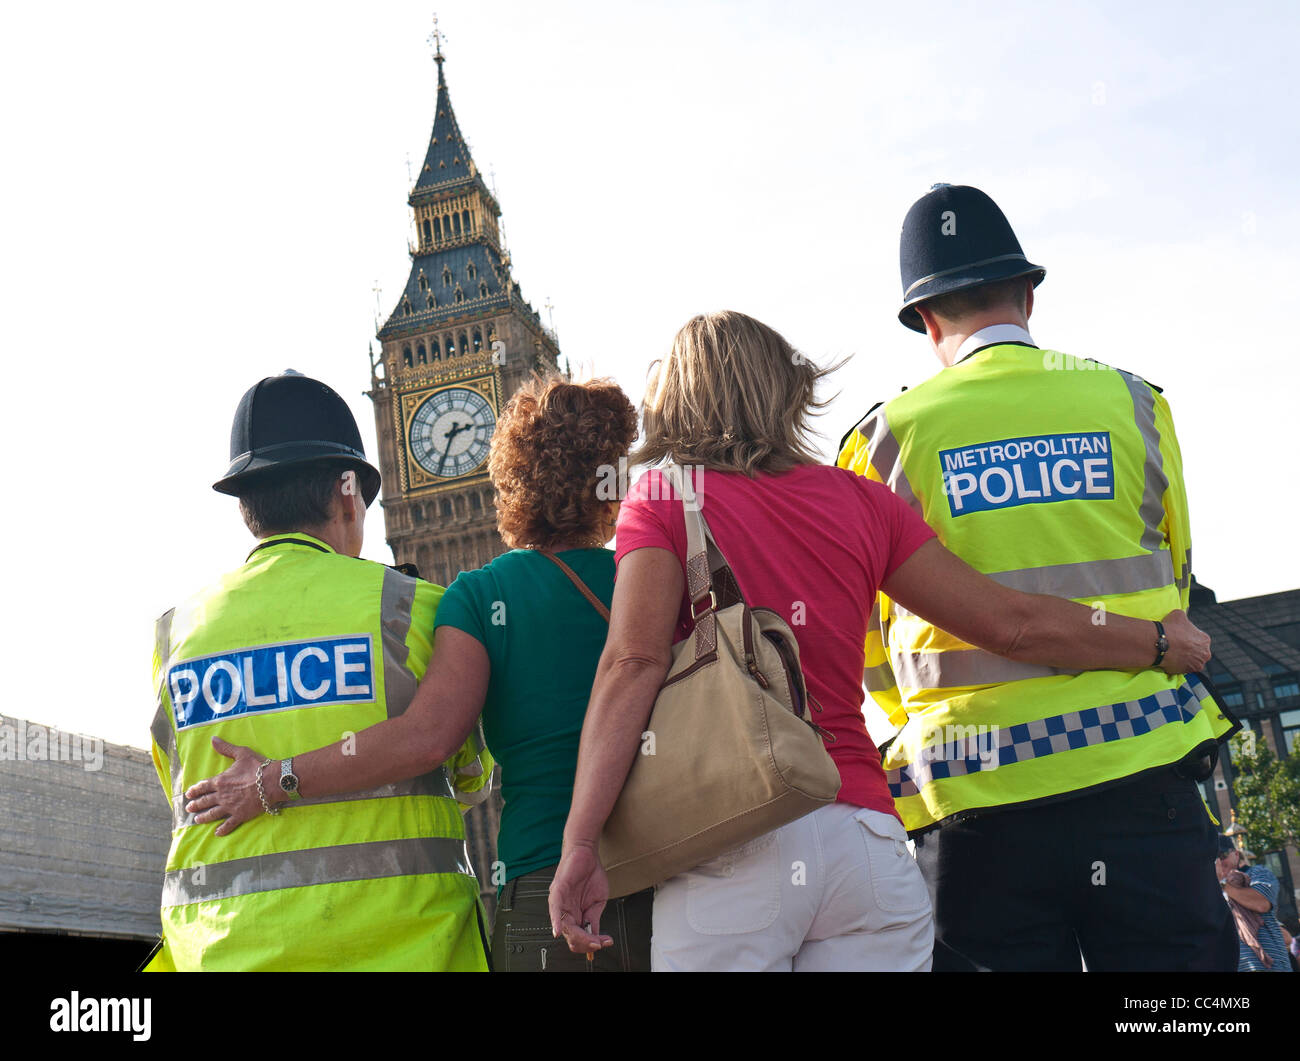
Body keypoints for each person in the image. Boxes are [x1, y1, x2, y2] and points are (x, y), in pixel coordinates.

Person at [548, 309, 1212, 972]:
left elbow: (631, 662)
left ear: (674, 401)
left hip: (732, 845)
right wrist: (1159, 641)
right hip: (863, 840)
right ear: (786, 390)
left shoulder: (664, 496)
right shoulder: (863, 501)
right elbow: (1013, 623)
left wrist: (581, 843)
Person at [835, 184, 1239, 971]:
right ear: (1028, 293)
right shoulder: (1135, 402)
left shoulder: (879, 443)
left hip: (972, 798)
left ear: (925, 321)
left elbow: (870, 646)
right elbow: (1178, 577)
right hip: (1142, 771)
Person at [184, 376, 651, 972]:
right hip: (686, 858)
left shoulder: (476, 598)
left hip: (542, 881)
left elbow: (432, 736)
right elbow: (460, 765)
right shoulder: (654, 577)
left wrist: (272, 782)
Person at [147, 371, 492, 971]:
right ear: (347, 492)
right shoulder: (416, 608)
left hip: (224, 954)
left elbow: (183, 792)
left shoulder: (176, 632)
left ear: (246, 509)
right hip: (407, 950)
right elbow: (471, 773)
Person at [1216, 838, 1292, 973]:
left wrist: (1222, 883)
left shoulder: (1257, 873)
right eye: (1214, 858)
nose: (1220, 861)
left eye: (1223, 855)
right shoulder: (1209, 889)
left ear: (1236, 854)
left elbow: (1261, 903)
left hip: (1270, 966)